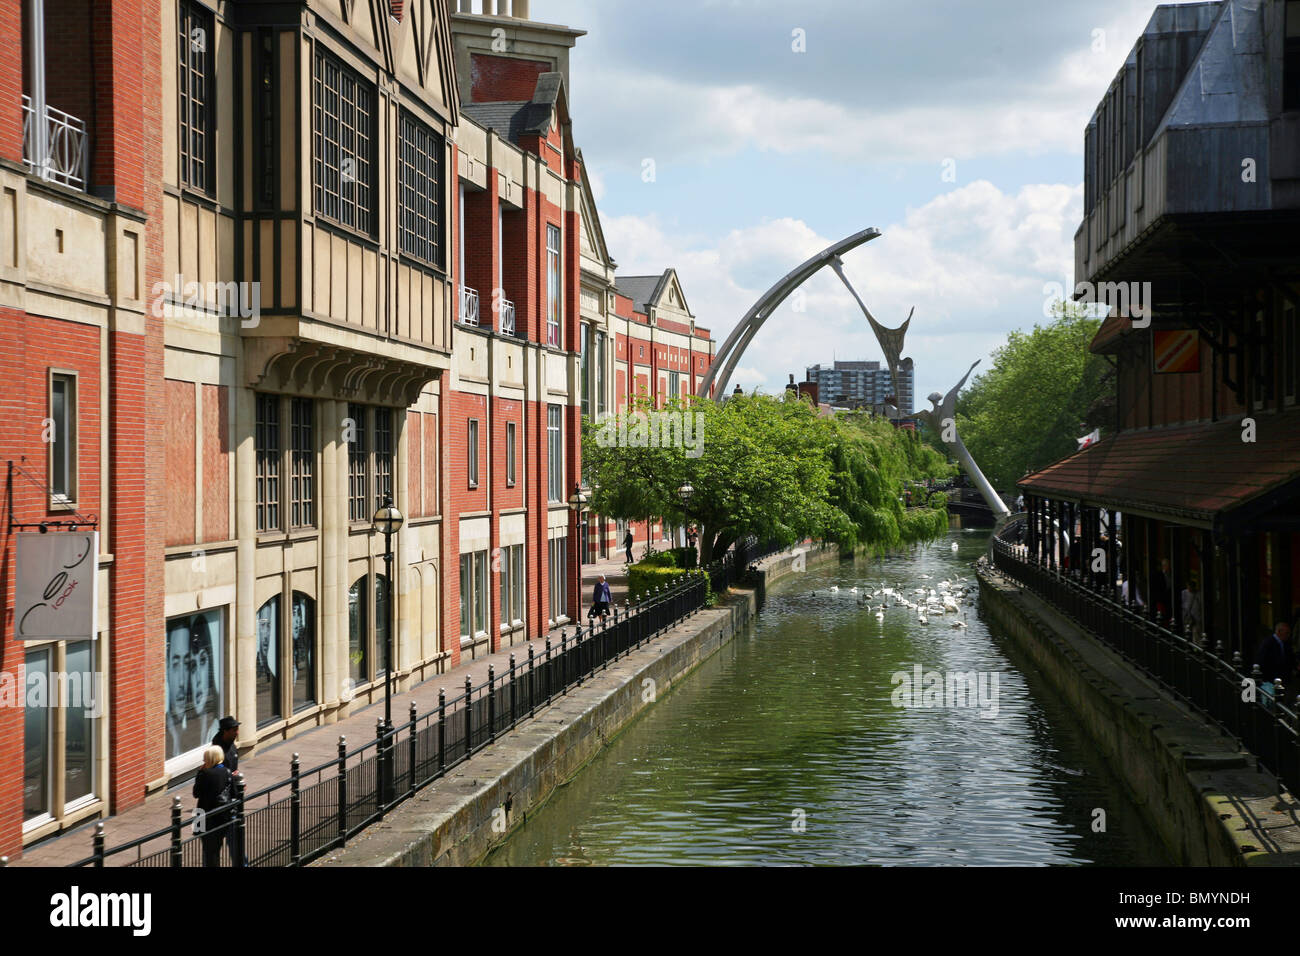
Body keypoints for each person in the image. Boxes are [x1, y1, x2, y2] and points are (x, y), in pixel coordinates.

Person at [192, 745, 234, 867]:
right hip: (222, 816)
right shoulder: (227, 772)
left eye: (205, 759)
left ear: (210, 759)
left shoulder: (205, 774)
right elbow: (234, 793)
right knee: (216, 847)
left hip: (204, 816)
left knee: (209, 850)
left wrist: (199, 773)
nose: (204, 762)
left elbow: (196, 793)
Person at [1254, 621, 1295, 692]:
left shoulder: (1285, 644)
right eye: (1286, 633)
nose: (1288, 635)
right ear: (1279, 632)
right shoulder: (1268, 643)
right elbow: (1262, 660)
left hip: (1281, 679)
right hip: (1270, 680)